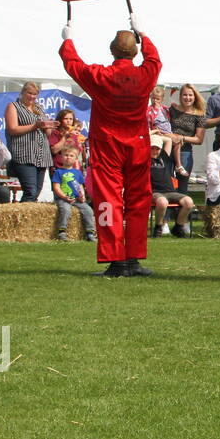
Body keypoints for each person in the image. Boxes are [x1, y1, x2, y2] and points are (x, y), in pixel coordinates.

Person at [59, 18, 160, 277]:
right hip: (136, 143)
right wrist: (144, 34)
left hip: (108, 144)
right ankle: (134, 257)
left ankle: (116, 259)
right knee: (138, 201)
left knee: (108, 201)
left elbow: (73, 64)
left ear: (112, 51)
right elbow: (154, 59)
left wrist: (67, 40)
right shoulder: (145, 74)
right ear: (135, 51)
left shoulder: (100, 76)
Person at [4, 81, 55, 202]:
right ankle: (21, 218)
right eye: (29, 93)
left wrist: (49, 127)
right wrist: (35, 126)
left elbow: (48, 133)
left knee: (36, 191)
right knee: (30, 191)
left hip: (42, 155)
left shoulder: (39, 108)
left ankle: (26, 217)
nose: (32, 96)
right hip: (25, 154)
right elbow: (12, 129)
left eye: (35, 94)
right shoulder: (13, 106)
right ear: (23, 92)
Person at [148, 132, 194, 237]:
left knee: (188, 202)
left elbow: (168, 140)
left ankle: (178, 226)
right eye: (152, 148)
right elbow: (139, 141)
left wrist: (158, 135)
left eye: (157, 148)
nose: (155, 151)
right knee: (163, 202)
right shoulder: (143, 158)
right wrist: (153, 134)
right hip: (155, 192)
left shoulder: (163, 156)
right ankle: (158, 227)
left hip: (170, 191)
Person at [50, 146, 97, 243]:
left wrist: (82, 196)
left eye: (71, 156)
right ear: (61, 157)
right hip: (63, 198)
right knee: (65, 210)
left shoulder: (77, 172)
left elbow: (80, 186)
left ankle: (90, 232)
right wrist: (64, 197)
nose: (68, 157)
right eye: (66, 155)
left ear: (76, 159)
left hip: (76, 199)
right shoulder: (58, 172)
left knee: (88, 210)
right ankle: (62, 231)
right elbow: (56, 187)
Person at [167, 84, 207, 193]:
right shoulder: (172, 109)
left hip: (185, 152)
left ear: (195, 97)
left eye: (190, 95)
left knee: (182, 186)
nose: (187, 98)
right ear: (180, 96)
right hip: (167, 150)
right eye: (185, 95)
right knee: (167, 185)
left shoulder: (200, 115)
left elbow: (199, 139)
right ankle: (168, 210)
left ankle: (182, 209)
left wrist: (181, 138)